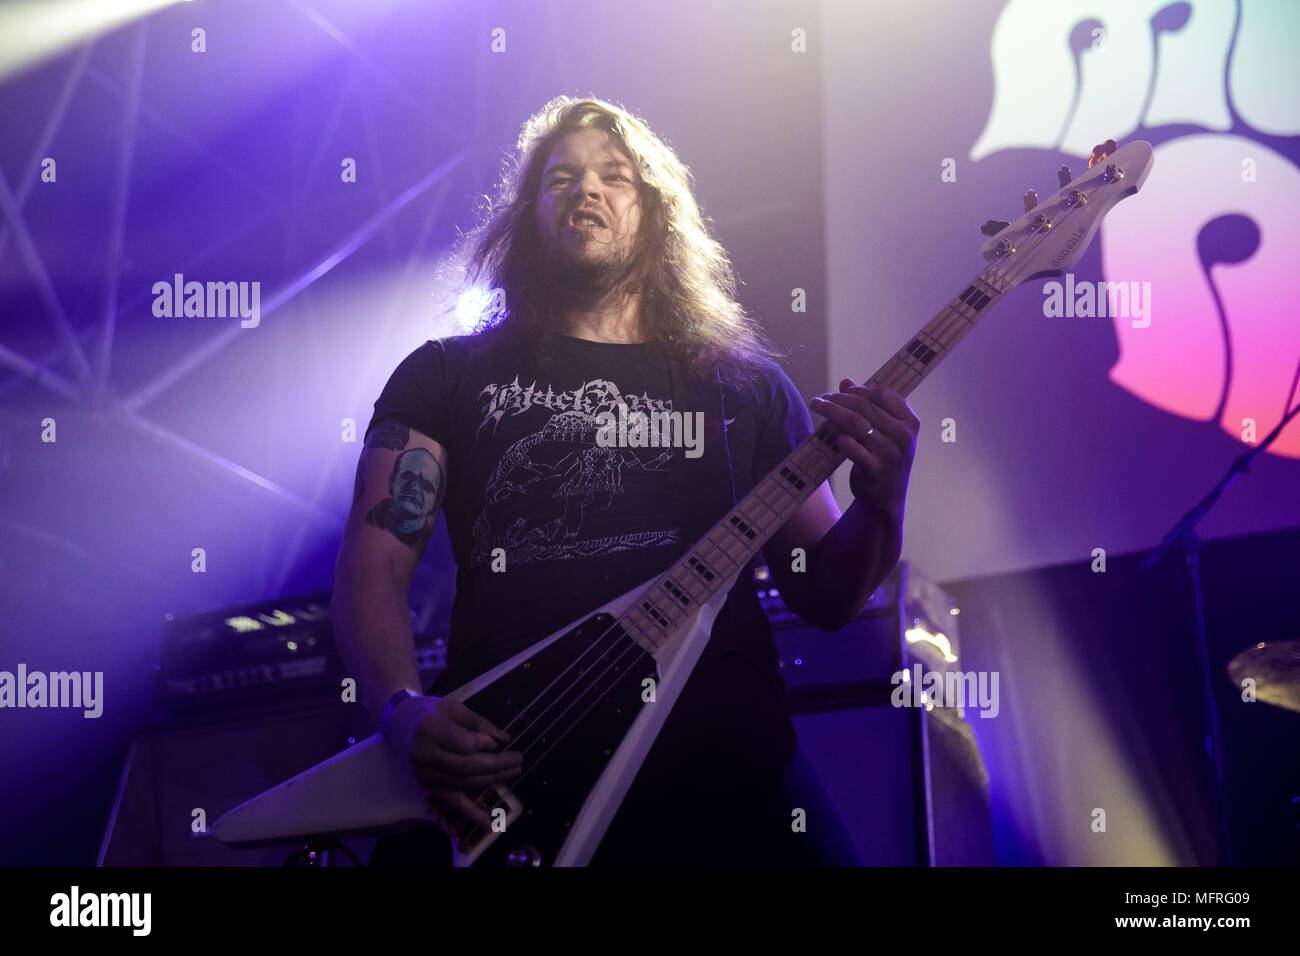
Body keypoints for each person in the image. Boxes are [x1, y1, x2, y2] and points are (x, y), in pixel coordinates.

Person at [331, 96, 919, 866]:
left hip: (725, 759)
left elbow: (829, 595)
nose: (588, 191)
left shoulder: (745, 388)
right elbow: (373, 564)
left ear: (657, 211)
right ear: (528, 214)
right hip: (512, 759)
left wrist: (884, 500)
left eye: (617, 176)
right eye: (561, 178)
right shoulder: (445, 374)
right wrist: (401, 709)